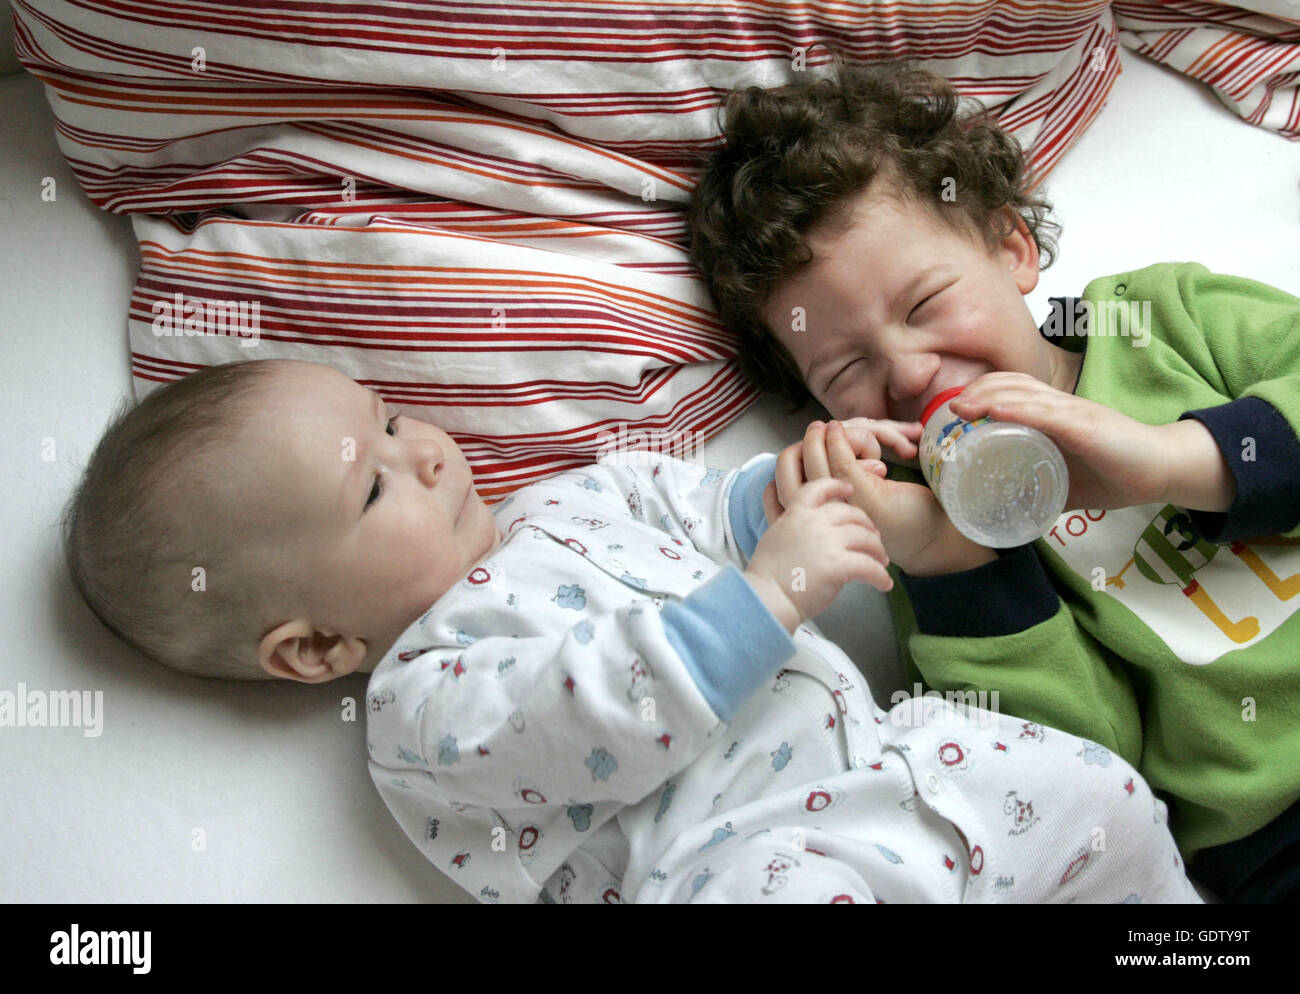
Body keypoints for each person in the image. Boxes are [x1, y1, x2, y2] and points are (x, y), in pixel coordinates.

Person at [62, 357, 1201, 903]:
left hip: (903, 763)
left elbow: (704, 506)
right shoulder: (420, 708)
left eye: (391, 414)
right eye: (372, 490)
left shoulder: (566, 498)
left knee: (1100, 800)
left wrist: (804, 489)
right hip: (744, 864)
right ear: (313, 647)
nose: (424, 452)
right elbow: (595, 708)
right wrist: (769, 594)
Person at [686, 56, 1300, 902]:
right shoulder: (937, 531)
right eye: (846, 368)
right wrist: (951, 561)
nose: (907, 370)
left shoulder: (1157, 318)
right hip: (1266, 850)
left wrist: (1170, 458)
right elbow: (1081, 781)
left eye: (925, 304)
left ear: (1011, 246)